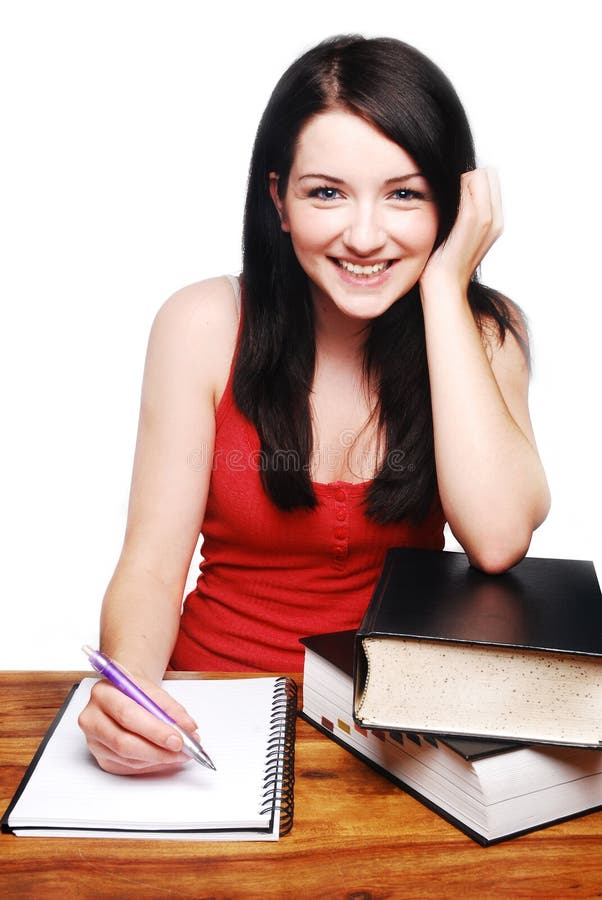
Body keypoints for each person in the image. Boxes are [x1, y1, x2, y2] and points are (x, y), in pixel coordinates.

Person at [78, 35, 550, 774]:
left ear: (452, 205)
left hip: (395, 729)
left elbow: (496, 538)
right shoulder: (201, 326)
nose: (364, 236)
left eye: (406, 194)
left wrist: (442, 288)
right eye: (326, 192)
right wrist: (134, 692)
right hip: (216, 708)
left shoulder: (483, 333)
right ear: (280, 200)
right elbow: (149, 566)